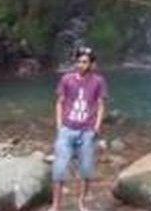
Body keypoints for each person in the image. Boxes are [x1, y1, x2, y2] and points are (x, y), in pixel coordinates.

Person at [50, 46, 107, 211]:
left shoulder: (98, 81)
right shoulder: (67, 79)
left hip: (87, 131)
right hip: (67, 129)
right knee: (59, 168)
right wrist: (59, 124)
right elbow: (59, 102)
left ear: (92, 64)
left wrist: (96, 127)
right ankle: (56, 205)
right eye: (79, 61)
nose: (81, 65)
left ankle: (81, 203)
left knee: (86, 169)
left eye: (85, 62)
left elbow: (101, 104)